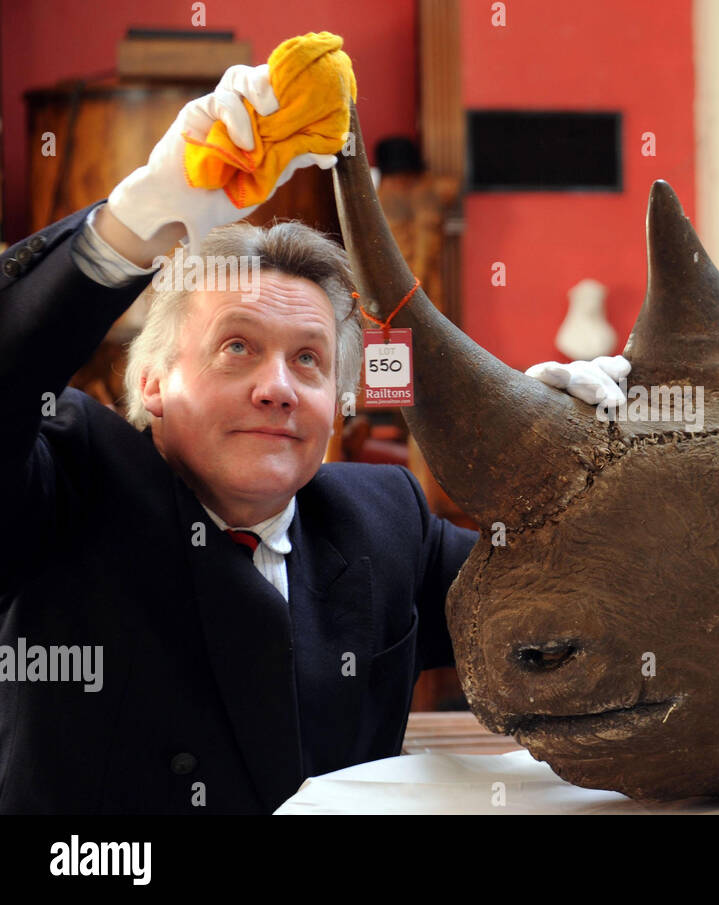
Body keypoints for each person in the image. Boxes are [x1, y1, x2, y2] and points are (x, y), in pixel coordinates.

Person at [0, 64, 627, 814]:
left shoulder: (383, 520)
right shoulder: (71, 480)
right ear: (152, 384)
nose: (278, 387)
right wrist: (129, 230)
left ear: (338, 405)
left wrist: (577, 460)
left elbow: (575, 605)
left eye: (309, 359)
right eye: (237, 347)